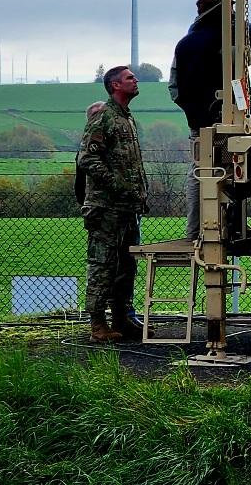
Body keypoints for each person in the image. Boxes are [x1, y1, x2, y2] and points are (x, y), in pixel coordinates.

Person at [169, 0, 251, 241]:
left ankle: (195, 232)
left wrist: (194, 113)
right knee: (235, 170)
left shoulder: (185, 43)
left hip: (198, 123)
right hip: (227, 118)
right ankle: (232, 226)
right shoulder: (233, 34)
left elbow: (174, 88)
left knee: (200, 173)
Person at [78, 66, 148, 343]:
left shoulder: (126, 118)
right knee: (103, 266)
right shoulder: (104, 117)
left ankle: (122, 319)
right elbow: (87, 158)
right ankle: (98, 324)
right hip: (106, 207)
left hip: (127, 208)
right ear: (115, 85)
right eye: (130, 78)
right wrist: (116, 184)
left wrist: (137, 194)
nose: (135, 80)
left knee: (126, 267)